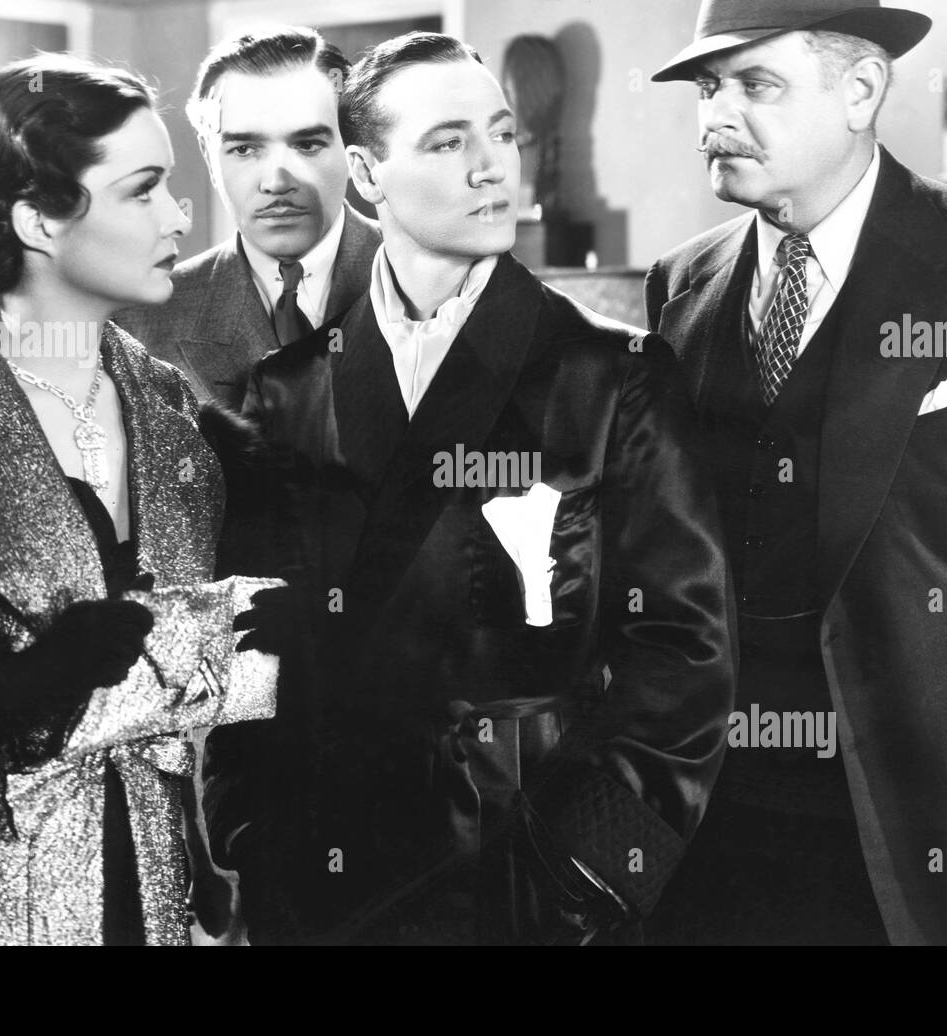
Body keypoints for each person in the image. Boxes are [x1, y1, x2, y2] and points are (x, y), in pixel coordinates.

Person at [202, 31, 736, 945]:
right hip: (325, 887)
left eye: (502, 136)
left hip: (523, 883)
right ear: (367, 175)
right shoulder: (288, 389)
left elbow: (685, 653)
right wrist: (250, 839)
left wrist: (582, 869)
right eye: (449, 143)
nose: (494, 170)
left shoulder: (613, 377)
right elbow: (251, 640)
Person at [644, 0, 947, 945]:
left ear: (861, 89)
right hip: (730, 816)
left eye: (756, 84)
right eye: (707, 88)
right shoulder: (682, 281)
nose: (715, 118)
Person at [0, 54, 281, 945]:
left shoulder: (183, 419)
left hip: (157, 901)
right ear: (39, 219)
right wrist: (27, 682)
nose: (180, 217)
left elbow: (240, 669)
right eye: (144, 190)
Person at [116, 26, 381, 409]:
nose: (276, 182)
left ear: (354, 149)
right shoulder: (138, 325)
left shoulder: (442, 286)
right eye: (244, 149)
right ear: (210, 158)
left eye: (307, 145)